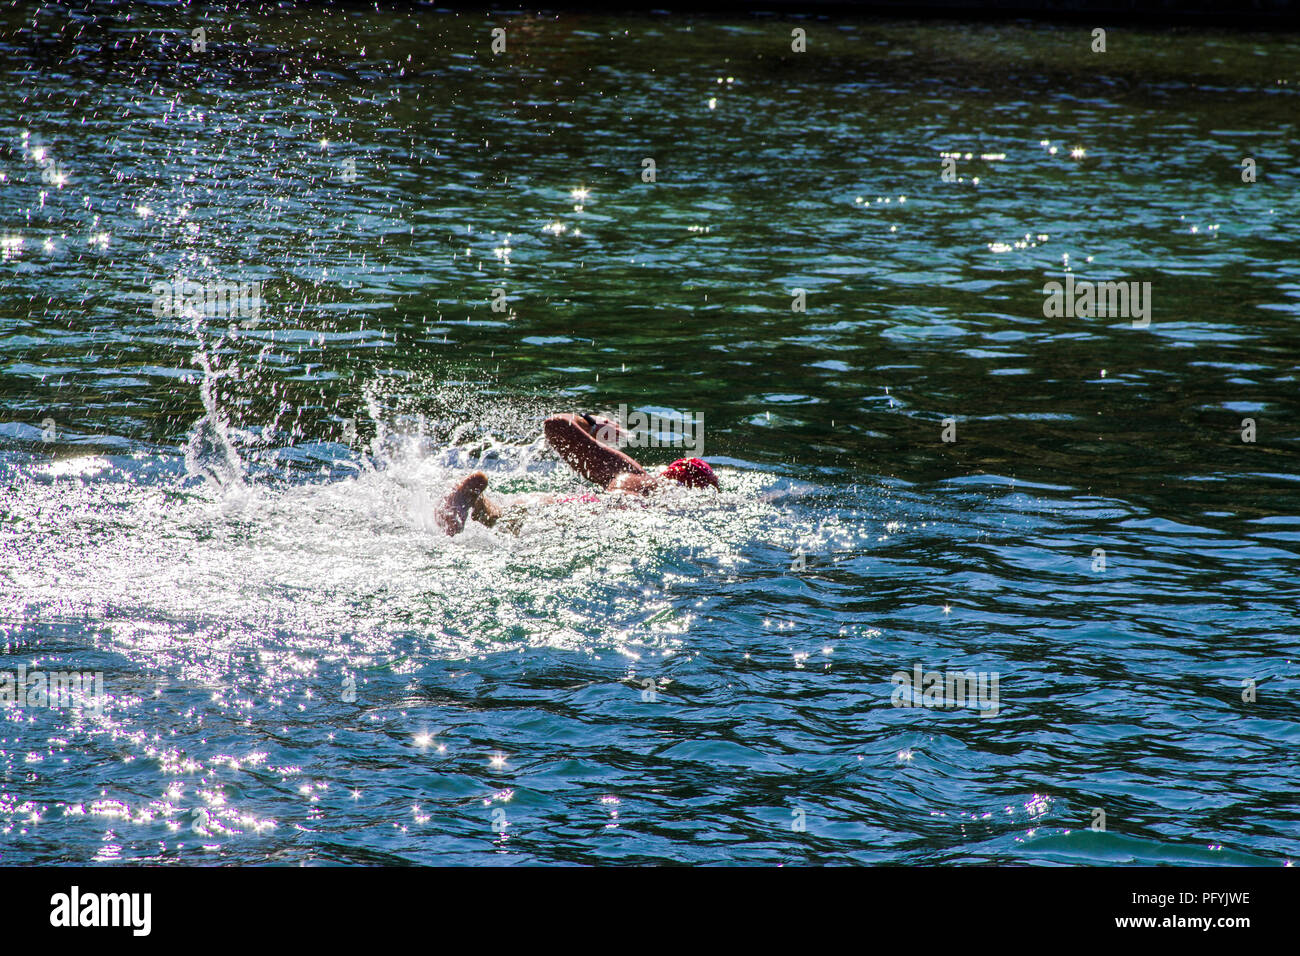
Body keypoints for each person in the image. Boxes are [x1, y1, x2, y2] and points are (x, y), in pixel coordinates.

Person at [437, 411, 718, 535]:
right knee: (508, 523)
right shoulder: (682, 506)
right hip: (596, 525)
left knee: (513, 512)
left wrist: (593, 423)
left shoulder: (634, 475)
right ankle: (480, 506)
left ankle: (473, 500)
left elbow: (556, 425)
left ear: (667, 472)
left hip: (583, 509)